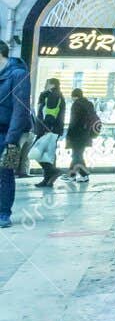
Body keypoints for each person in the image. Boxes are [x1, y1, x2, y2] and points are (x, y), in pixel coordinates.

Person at [0, 41, 33, 228]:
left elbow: (20, 110)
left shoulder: (18, 74)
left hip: (7, 133)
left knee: (5, 173)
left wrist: (11, 140)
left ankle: (3, 213)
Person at [31, 77, 65, 189]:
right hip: (51, 129)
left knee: (35, 151)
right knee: (47, 154)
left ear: (52, 85)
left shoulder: (54, 96)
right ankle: (48, 179)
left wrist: (47, 129)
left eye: (47, 83)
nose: (45, 85)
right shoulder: (52, 95)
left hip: (48, 129)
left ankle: (53, 171)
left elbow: (50, 114)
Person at [65, 89, 98, 181]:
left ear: (74, 96)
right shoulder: (89, 104)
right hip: (86, 134)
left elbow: (73, 121)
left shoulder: (76, 104)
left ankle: (83, 175)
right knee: (77, 155)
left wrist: (69, 134)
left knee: (77, 156)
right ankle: (72, 175)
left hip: (77, 135)